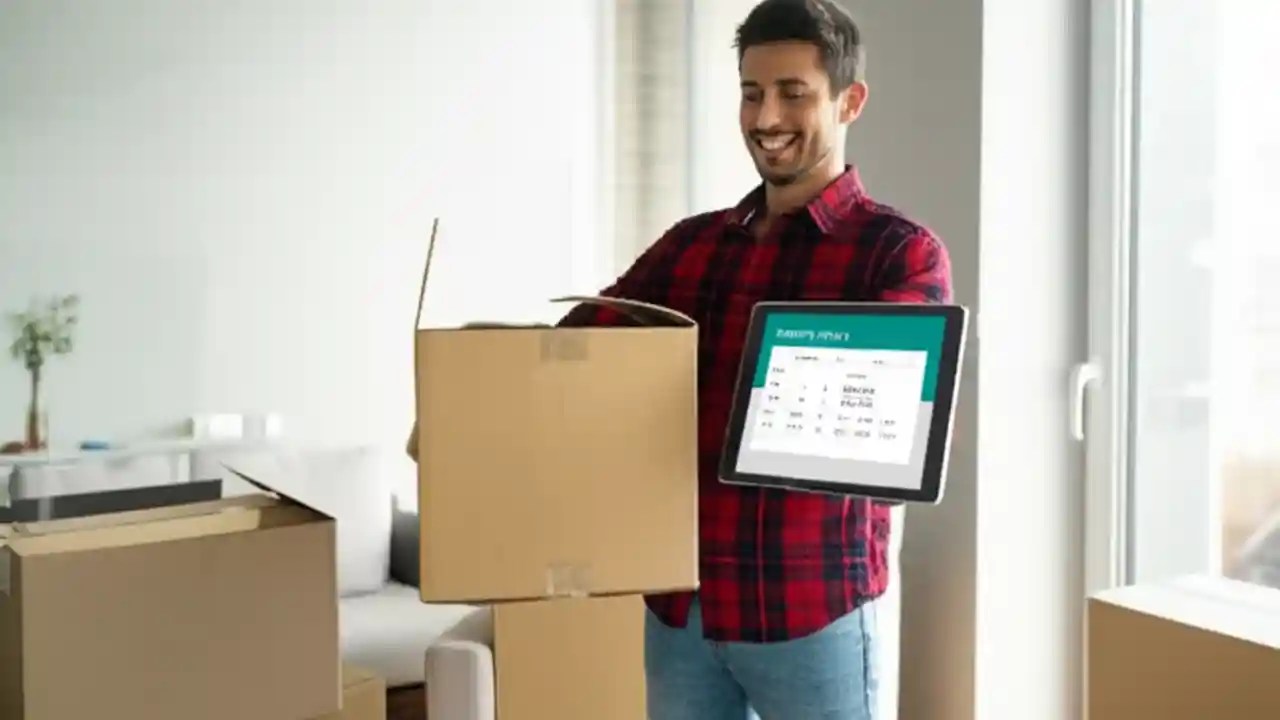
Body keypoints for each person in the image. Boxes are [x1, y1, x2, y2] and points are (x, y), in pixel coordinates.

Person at [409, 1, 951, 717]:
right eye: (751, 93)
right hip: (684, 617)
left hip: (810, 611)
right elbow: (569, 352)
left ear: (850, 100)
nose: (765, 118)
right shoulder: (692, 248)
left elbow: (892, 433)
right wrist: (469, 409)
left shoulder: (898, 253)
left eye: (794, 92)